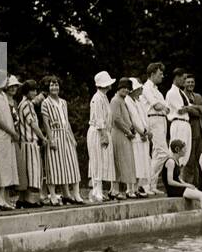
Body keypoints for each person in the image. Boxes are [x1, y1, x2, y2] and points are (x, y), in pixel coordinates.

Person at [159, 138, 202, 231]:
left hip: (179, 187)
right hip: (173, 190)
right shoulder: (170, 161)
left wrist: (187, 184)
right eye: (184, 148)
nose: (185, 150)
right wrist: (185, 186)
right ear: (177, 149)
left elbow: (178, 178)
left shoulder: (176, 160)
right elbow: (170, 181)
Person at [40, 76, 83, 204]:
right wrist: (51, 139)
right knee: (54, 165)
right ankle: (52, 195)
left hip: (66, 134)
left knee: (72, 164)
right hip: (54, 134)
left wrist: (72, 137)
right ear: (47, 88)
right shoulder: (45, 103)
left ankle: (75, 194)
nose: (55, 88)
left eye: (56, 85)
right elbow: (46, 123)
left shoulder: (63, 102)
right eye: (52, 85)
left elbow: (67, 121)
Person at [0, 76, 21, 209]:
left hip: (8, 136)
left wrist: (12, 132)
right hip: (0, 135)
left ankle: (5, 199)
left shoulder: (2, 95)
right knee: (1, 166)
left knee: (8, 167)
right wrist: (12, 132)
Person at [15, 81, 48, 208]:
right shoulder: (27, 105)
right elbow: (33, 123)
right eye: (32, 90)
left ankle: (22, 199)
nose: (34, 93)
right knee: (32, 171)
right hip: (29, 142)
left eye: (35, 90)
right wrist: (42, 137)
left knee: (27, 171)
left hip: (25, 142)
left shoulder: (23, 104)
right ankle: (30, 200)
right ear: (26, 91)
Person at [142, 62, 171, 193]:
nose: (162, 76)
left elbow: (166, 108)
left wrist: (163, 107)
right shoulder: (146, 87)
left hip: (161, 120)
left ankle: (152, 185)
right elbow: (157, 106)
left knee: (156, 153)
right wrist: (163, 107)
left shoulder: (157, 90)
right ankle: (147, 182)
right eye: (160, 74)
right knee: (163, 153)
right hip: (153, 118)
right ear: (152, 74)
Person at [87, 70, 116, 201]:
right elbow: (99, 119)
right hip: (97, 132)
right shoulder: (97, 98)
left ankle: (100, 190)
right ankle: (96, 191)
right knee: (96, 161)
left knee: (103, 161)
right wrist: (104, 135)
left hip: (104, 131)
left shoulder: (104, 98)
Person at [109, 78, 138, 199]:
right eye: (124, 87)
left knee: (125, 161)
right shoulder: (115, 100)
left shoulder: (122, 100)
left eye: (128, 88)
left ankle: (123, 190)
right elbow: (116, 119)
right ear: (119, 87)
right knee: (119, 161)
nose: (126, 90)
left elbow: (125, 118)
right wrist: (128, 131)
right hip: (118, 134)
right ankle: (115, 190)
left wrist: (131, 129)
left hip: (124, 134)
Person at [164, 69, 194, 177]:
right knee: (177, 150)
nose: (185, 81)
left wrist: (190, 108)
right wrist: (190, 108)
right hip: (178, 122)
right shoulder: (171, 93)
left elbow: (189, 107)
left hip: (185, 123)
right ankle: (173, 177)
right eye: (183, 78)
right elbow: (181, 110)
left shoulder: (181, 93)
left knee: (186, 151)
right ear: (177, 77)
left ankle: (180, 177)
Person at [183, 74, 202, 180]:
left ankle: (198, 182)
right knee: (189, 159)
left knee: (199, 159)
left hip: (200, 131)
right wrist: (198, 111)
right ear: (184, 83)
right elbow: (189, 112)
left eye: (192, 82)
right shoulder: (182, 96)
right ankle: (189, 183)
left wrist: (194, 107)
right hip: (189, 130)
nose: (190, 84)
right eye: (188, 82)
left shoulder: (197, 96)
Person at [127, 78, 152, 195]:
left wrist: (146, 131)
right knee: (135, 163)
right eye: (139, 88)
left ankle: (137, 188)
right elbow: (134, 119)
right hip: (136, 136)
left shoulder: (138, 101)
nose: (141, 90)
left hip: (142, 135)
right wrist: (142, 132)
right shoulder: (128, 100)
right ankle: (131, 189)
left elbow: (144, 118)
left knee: (141, 163)